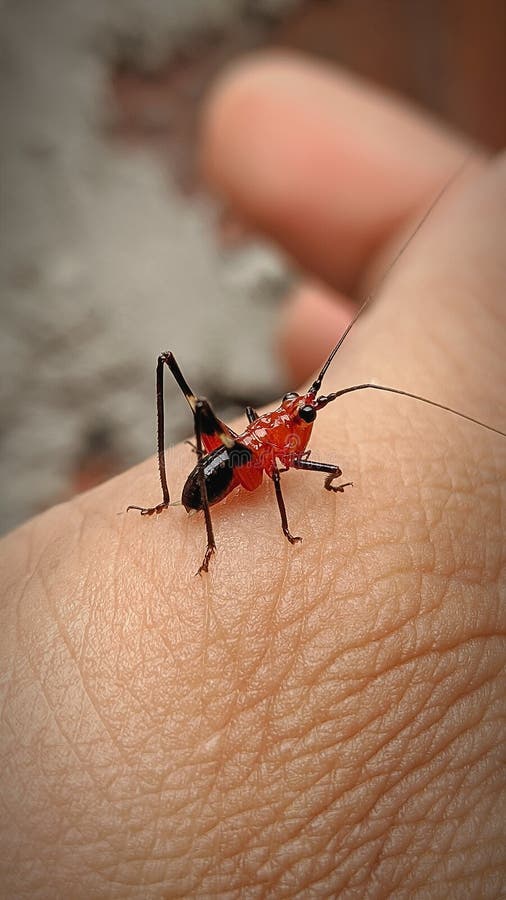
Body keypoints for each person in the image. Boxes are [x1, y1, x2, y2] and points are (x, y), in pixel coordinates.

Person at [1, 54, 504, 897]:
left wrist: (312, 464)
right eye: (306, 419)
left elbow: (304, 460)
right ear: (293, 425)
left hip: (238, 458)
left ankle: (180, 495)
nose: (310, 429)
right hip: (221, 474)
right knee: (206, 406)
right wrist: (264, 503)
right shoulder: (272, 453)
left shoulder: (295, 434)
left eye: (308, 419)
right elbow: (275, 478)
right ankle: (171, 501)